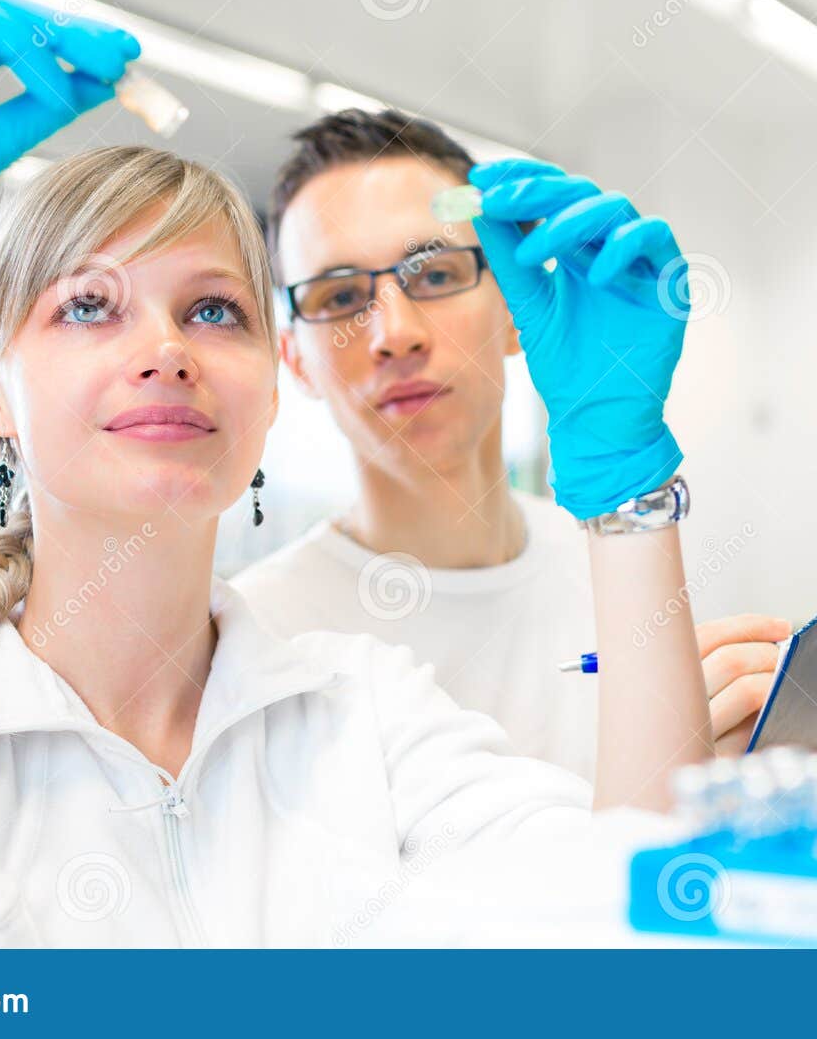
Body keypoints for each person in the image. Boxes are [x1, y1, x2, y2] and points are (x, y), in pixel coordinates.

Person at [0, 0, 711, 947]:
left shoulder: (366, 720)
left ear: (270, 391)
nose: (166, 350)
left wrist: (625, 489)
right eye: (89, 305)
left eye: (214, 311)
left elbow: (638, 932)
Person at [233, 110, 788, 773]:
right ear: (296, 361)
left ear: (514, 310)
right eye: (341, 294)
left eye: (435, 274)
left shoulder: (622, 558)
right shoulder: (254, 634)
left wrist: (735, 779)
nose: (394, 333)